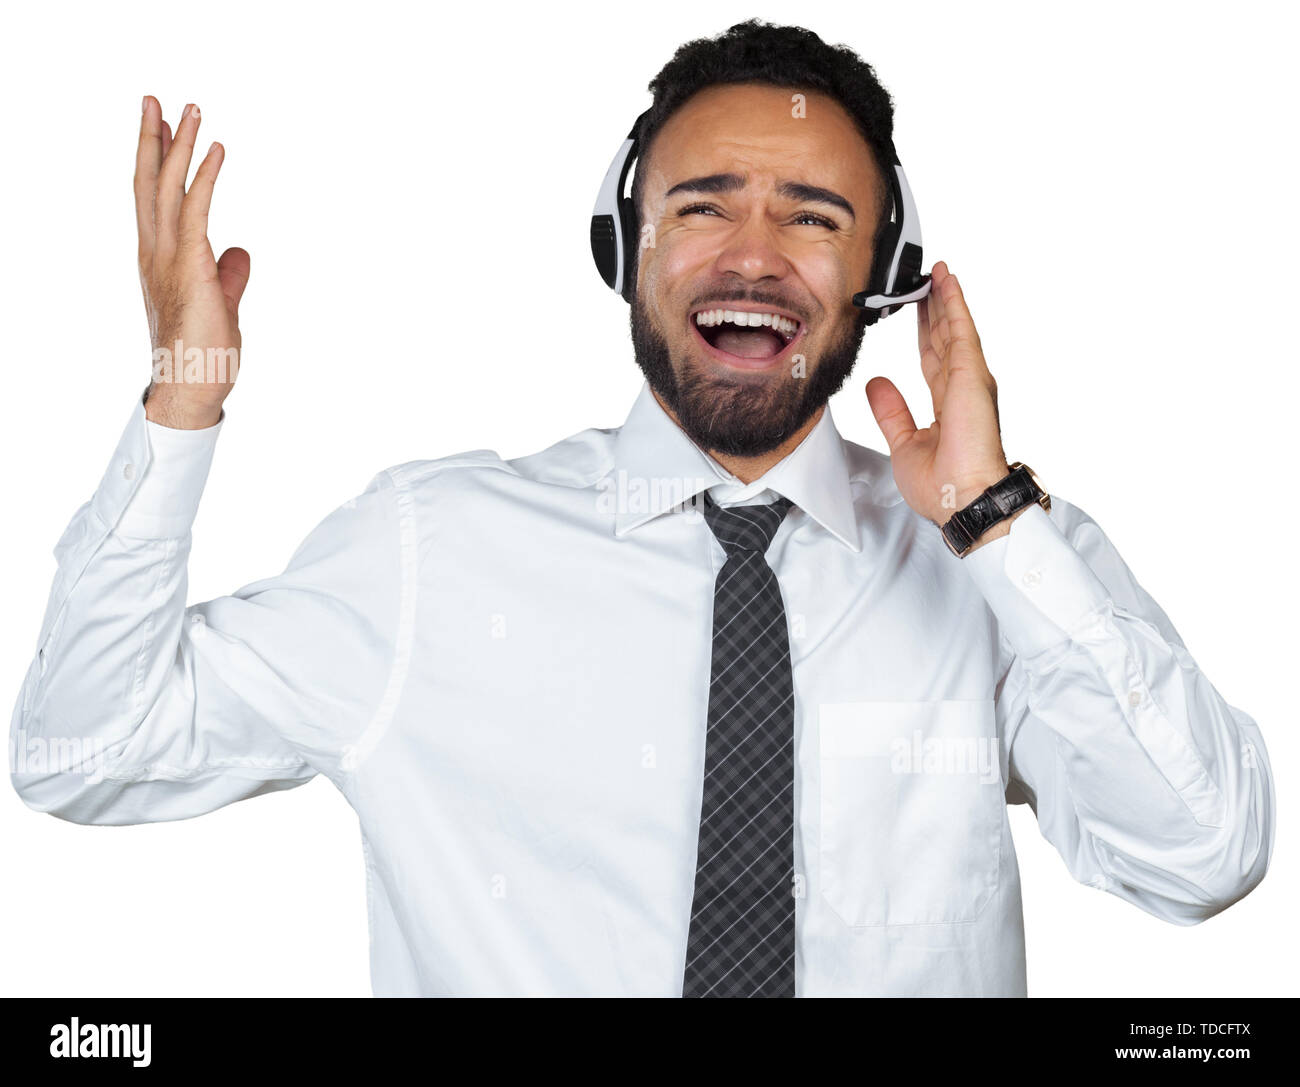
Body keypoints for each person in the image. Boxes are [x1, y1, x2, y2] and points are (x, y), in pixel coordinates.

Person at [9, 19, 1273, 997]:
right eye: (703, 204)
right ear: (626, 249)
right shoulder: (428, 555)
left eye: (813, 218)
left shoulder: (996, 559)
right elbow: (82, 754)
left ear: (882, 279)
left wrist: (997, 522)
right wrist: (183, 399)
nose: (752, 253)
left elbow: (1202, 855)